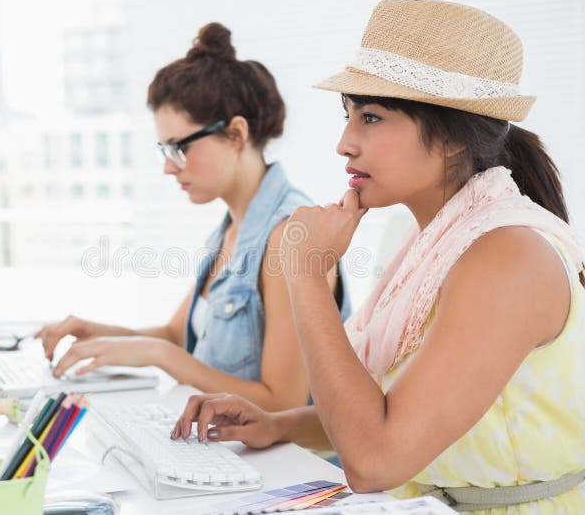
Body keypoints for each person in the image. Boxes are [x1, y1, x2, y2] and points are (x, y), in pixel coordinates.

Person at [172, 0, 585, 513]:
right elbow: (402, 412)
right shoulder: (434, 237)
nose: (344, 143)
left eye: (371, 117)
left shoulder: (506, 255)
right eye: (348, 116)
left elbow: (376, 460)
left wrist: (307, 274)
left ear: (451, 136)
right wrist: (277, 424)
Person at [36, 23, 350, 411]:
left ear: (236, 134)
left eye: (179, 148)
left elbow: (282, 404)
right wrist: (104, 335)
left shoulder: (290, 234)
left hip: (289, 467)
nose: (170, 168)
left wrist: (158, 356)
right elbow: (178, 336)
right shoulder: (235, 226)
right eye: (163, 151)